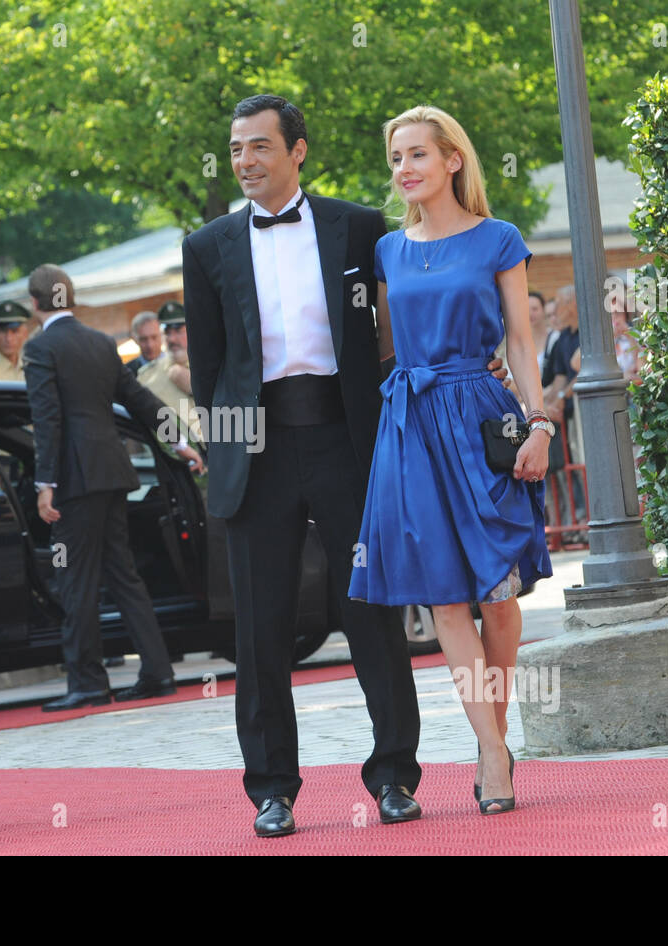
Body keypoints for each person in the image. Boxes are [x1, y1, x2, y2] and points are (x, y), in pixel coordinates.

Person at [183, 95, 505, 838]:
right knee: (261, 630)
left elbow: (406, 317)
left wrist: (475, 361)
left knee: (372, 615)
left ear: (297, 151)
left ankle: (394, 777)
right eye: (236, 149)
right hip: (257, 452)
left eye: (260, 146)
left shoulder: (360, 227)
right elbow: (208, 370)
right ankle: (272, 790)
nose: (245, 161)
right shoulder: (207, 246)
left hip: (351, 441)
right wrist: (227, 456)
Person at [349, 104, 553, 818]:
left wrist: (539, 422)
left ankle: (494, 729)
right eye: (395, 158)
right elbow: (381, 346)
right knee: (443, 596)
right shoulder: (387, 251)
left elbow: (520, 341)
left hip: (482, 417)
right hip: (410, 426)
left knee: (497, 593)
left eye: (416, 155)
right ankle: (491, 750)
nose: (403, 169)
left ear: (452, 160)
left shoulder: (499, 239)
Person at [21, 264, 203, 709]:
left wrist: (45, 483)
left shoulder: (40, 347)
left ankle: (87, 682)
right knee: (125, 578)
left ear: (34, 303)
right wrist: (181, 443)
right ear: (70, 297)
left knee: (76, 581)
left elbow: (47, 418)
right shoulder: (101, 343)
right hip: (113, 475)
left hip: (74, 481)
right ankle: (158, 672)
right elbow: (141, 400)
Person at [138, 303, 204, 444]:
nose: (172, 339)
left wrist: (197, 387)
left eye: (178, 331)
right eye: (167, 332)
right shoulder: (147, 378)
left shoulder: (212, 368)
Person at [127, 310, 164, 377]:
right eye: (143, 339)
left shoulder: (177, 364)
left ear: (162, 336)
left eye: (154, 337)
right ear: (135, 340)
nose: (150, 345)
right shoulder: (127, 372)